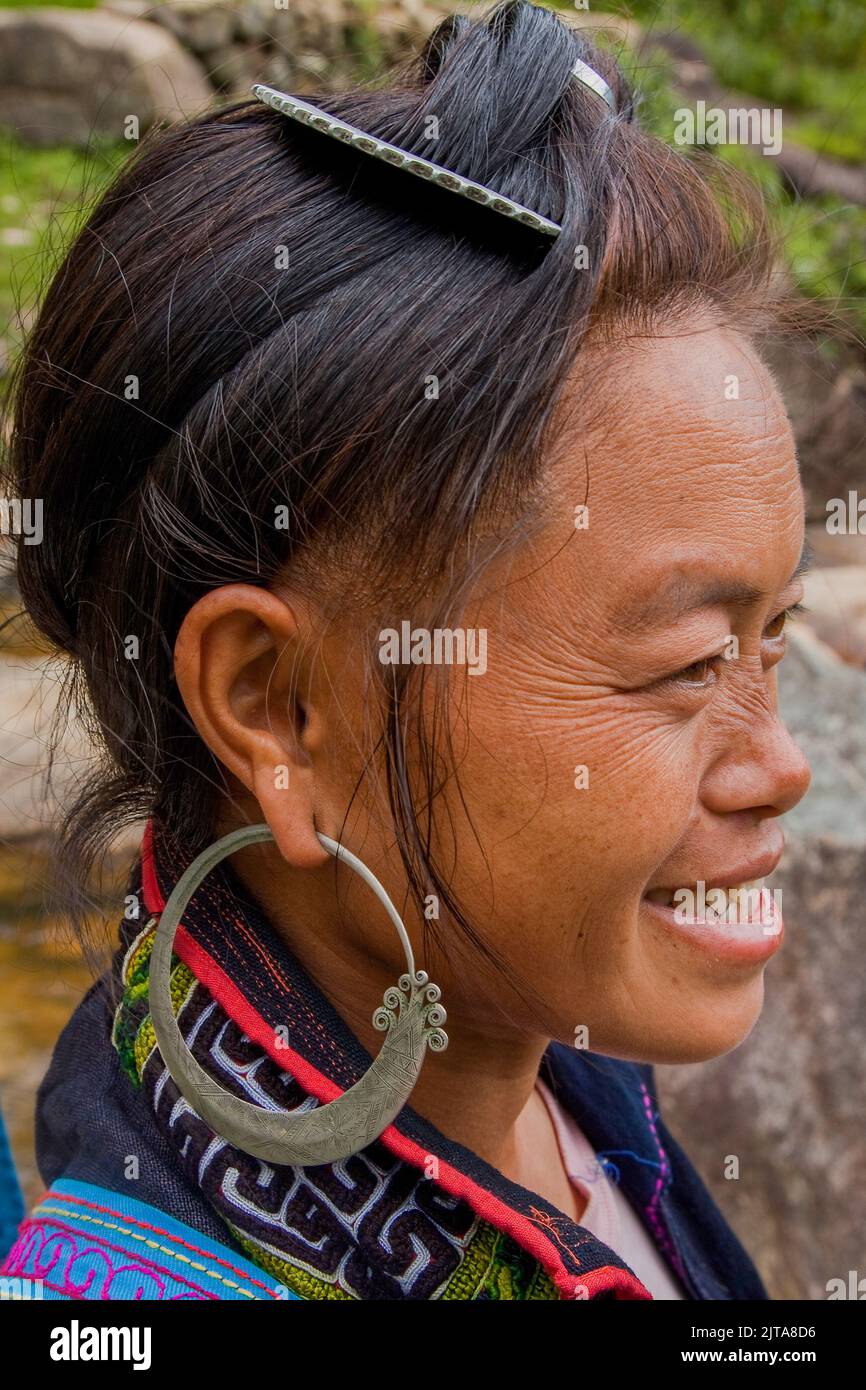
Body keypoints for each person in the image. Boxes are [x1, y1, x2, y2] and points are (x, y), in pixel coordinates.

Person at [1, 0, 812, 1301]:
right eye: (681, 664)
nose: (779, 766)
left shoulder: (540, 1037)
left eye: (774, 637)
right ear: (278, 706)